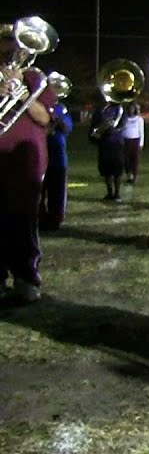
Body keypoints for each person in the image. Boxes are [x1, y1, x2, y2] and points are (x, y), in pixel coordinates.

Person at [0, 25, 56, 303]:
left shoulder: (37, 79)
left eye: (17, 44)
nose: (13, 50)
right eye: (7, 43)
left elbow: (44, 118)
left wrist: (22, 93)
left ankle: (27, 276)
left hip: (26, 160)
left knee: (23, 218)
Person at [38, 88, 73, 232]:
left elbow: (65, 129)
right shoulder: (39, 107)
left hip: (58, 158)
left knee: (57, 193)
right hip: (40, 157)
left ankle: (55, 221)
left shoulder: (61, 110)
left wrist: (56, 120)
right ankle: (40, 218)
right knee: (37, 192)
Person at [89, 95, 127, 201]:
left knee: (117, 169)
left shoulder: (119, 110)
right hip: (104, 143)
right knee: (106, 170)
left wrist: (113, 130)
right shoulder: (100, 111)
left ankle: (117, 193)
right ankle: (109, 193)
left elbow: (123, 124)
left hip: (116, 142)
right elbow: (94, 126)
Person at [120, 102, 145, 184]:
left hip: (135, 140)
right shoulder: (125, 119)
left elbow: (141, 132)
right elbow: (122, 129)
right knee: (126, 160)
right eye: (129, 109)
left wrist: (141, 143)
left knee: (135, 159)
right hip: (126, 141)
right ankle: (129, 175)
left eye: (132, 109)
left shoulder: (139, 119)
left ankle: (135, 176)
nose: (131, 110)